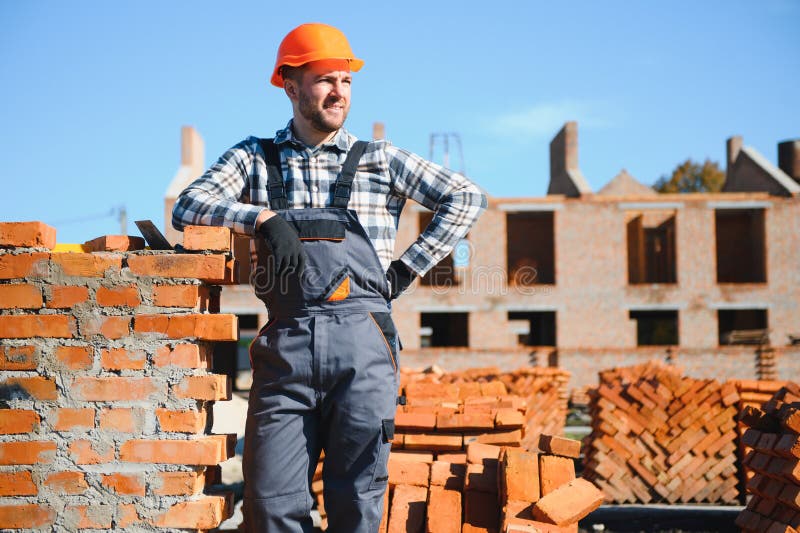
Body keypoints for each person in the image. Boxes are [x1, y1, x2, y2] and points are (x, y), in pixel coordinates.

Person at [172, 22, 486, 533]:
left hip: (364, 347)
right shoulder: (256, 158)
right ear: (291, 86)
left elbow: (466, 197)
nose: (339, 92)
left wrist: (406, 269)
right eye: (324, 80)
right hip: (286, 347)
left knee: (356, 503)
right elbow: (188, 206)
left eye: (346, 81)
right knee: (270, 503)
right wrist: (262, 220)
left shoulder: (379, 160)